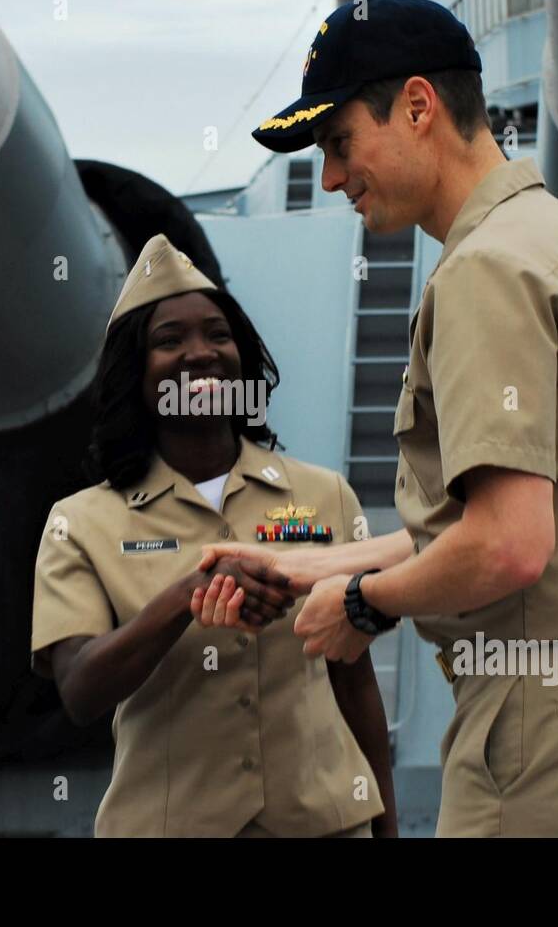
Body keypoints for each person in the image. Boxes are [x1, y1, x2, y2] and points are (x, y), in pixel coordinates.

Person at [197, 0, 558, 837]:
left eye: (340, 143)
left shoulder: (485, 272)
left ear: (419, 106)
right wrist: (311, 567)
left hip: (540, 716)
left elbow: (507, 546)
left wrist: (363, 605)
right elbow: (502, 523)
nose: (335, 178)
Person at [30, 233, 397, 837]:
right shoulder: (80, 524)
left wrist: (387, 829)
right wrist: (185, 598)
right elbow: (80, 688)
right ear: (134, 372)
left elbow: (352, 678)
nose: (200, 353)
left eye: (217, 335)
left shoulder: (324, 496)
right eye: (169, 340)